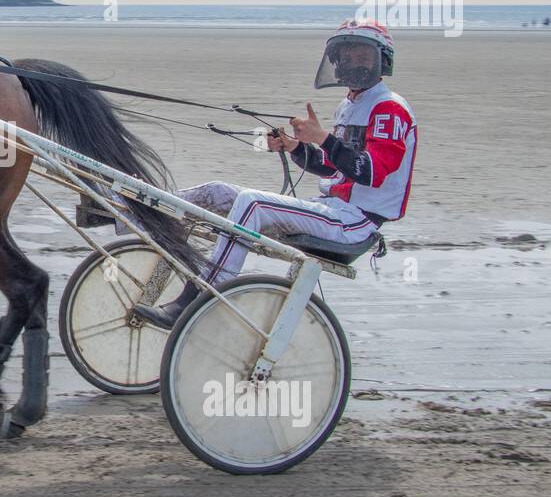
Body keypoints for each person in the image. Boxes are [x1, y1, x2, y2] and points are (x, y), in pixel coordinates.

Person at [133, 19, 417, 328]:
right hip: (335, 209)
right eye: (347, 55)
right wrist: (295, 147)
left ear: (381, 60)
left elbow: (370, 173)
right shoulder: (350, 105)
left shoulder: (389, 108)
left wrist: (322, 137)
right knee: (218, 192)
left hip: (355, 222)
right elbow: (335, 167)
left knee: (252, 204)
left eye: (362, 55)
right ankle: (135, 210)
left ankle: (199, 300)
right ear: (336, 61)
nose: (353, 62)